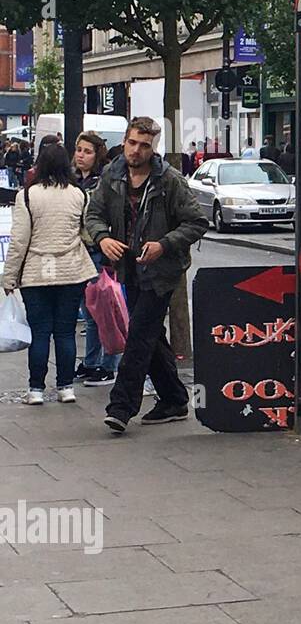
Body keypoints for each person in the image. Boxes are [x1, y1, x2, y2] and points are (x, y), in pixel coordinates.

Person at [86, 116, 208, 434]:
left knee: (139, 335)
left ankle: (121, 407)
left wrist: (164, 245)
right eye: (132, 143)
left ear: (153, 148)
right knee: (151, 336)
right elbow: (94, 214)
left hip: (161, 272)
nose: (136, 150)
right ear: (125, 141)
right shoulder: (112, 175)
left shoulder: (169, 180)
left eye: (144, 145)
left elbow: (196, 221)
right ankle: (174, 399)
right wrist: (103, 237)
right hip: (129, 269)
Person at [2, 143, 96, 405]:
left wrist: (9, 277)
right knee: (65, 333)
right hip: (71, 272)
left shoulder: (28, 196)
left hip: (36, 272)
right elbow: (86, 234)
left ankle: (36, 390)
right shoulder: (79, 194)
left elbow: (20, 241)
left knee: (40, 333)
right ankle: (66, 387)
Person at [71, 131, 121, 386]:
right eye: (79, 150)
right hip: (79, 250)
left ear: (97, 155)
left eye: (87, 151)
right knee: (89, 311)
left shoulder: (103, 183)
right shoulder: (74, 181)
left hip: (98, 250)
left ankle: (108, 365)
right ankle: (91, 362)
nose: (80, 155)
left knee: (104, 311)